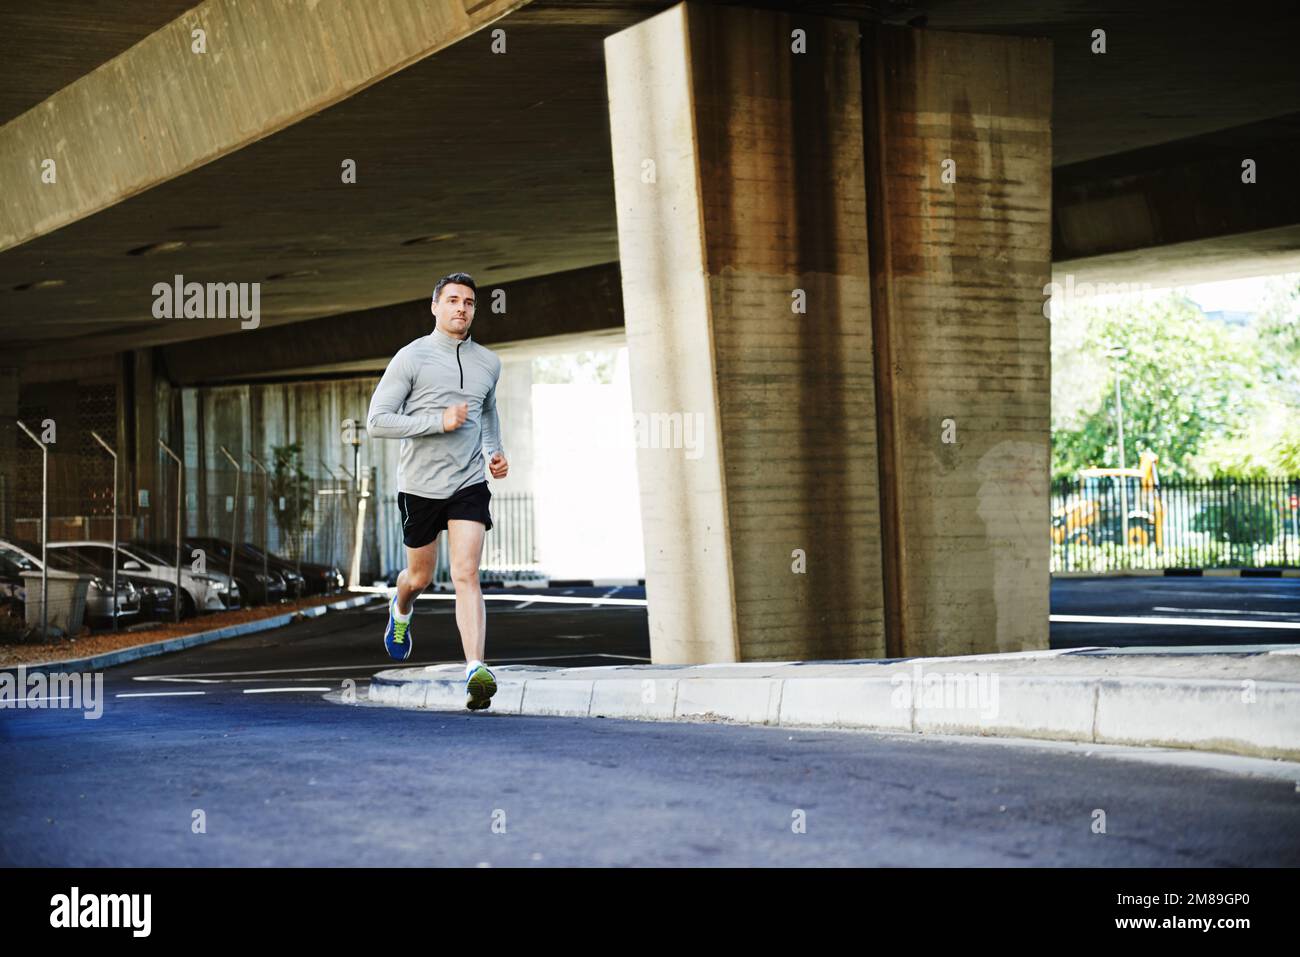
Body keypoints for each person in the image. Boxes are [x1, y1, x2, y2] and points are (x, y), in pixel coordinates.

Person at [366, 272, 508, 710]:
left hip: (468, 482)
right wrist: (437, 421)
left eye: (468, 302)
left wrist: (495, 452)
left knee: (466, 573)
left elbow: (488, 412)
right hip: (420, 486)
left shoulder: (488, 362)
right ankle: (402, 608)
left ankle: (475, 669)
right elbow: (378, 421)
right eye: (452, 300)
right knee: (420, 577)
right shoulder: (411, 358)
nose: (461, 308)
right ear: (435, 306)